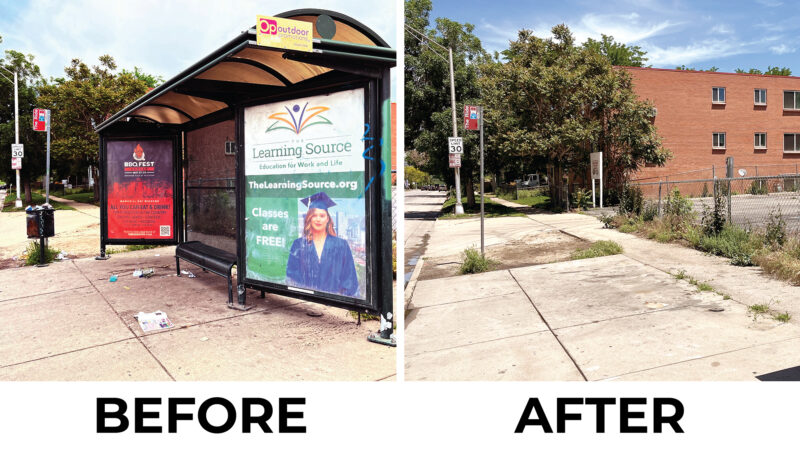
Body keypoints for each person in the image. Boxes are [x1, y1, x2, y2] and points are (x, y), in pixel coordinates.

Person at [285, 192, 359, 297]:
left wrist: (338, 298)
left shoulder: (341, 245)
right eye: (314, 215)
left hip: (334, 301)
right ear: (309, 218)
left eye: (322, 215)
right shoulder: (298, 244)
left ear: (327, 219)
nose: (318, 219)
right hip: (306, 299)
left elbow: (349, 278)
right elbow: (292, 275)